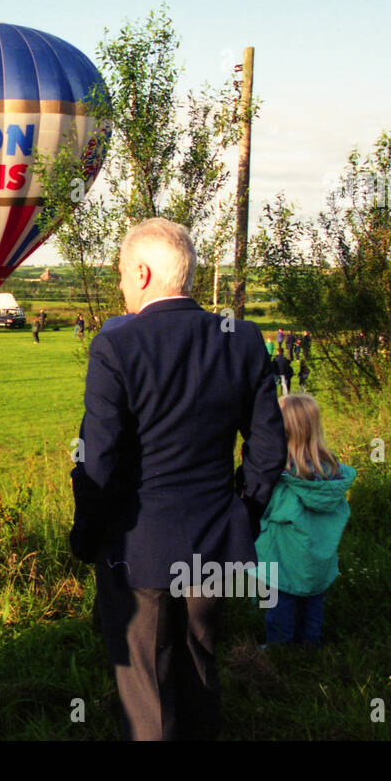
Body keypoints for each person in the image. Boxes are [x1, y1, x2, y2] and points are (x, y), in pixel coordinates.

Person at [70, 218, 286, 741]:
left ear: (142, 272)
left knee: (145, 689)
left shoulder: (116, 347)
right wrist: (244, 514)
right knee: (199, 669)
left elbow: (97, 459)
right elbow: (269, 448)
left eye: (122, 274)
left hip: (134, 547)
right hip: (215, 540)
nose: (121, 285)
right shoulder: (242, 339)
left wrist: (86, 537)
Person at [255, 394, 355, 647]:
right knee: (313, 602)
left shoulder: (281, 478)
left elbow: (264, 511)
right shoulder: (330, 472)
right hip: (318, 559)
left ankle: (280, 650)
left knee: (281, 604)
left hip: (285, 560)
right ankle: (310, 645)